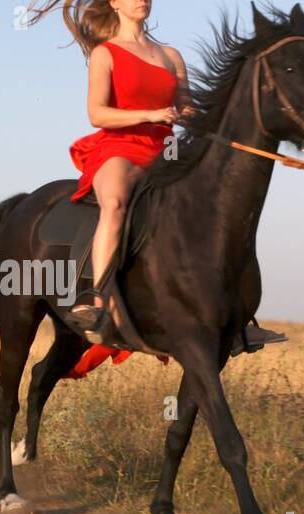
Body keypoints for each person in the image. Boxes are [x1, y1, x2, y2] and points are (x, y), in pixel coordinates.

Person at [29, 0, 287, 355]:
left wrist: (195, 114)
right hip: (119, 147)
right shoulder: (106, 54)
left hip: (164, 151)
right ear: (115, 4)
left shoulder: (171, 55)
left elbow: (186, 105)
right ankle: (99, 302)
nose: (143, 0)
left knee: (213, 208)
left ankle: (233, 319)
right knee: (116, 202)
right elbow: (97, 113)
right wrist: (151, 112)